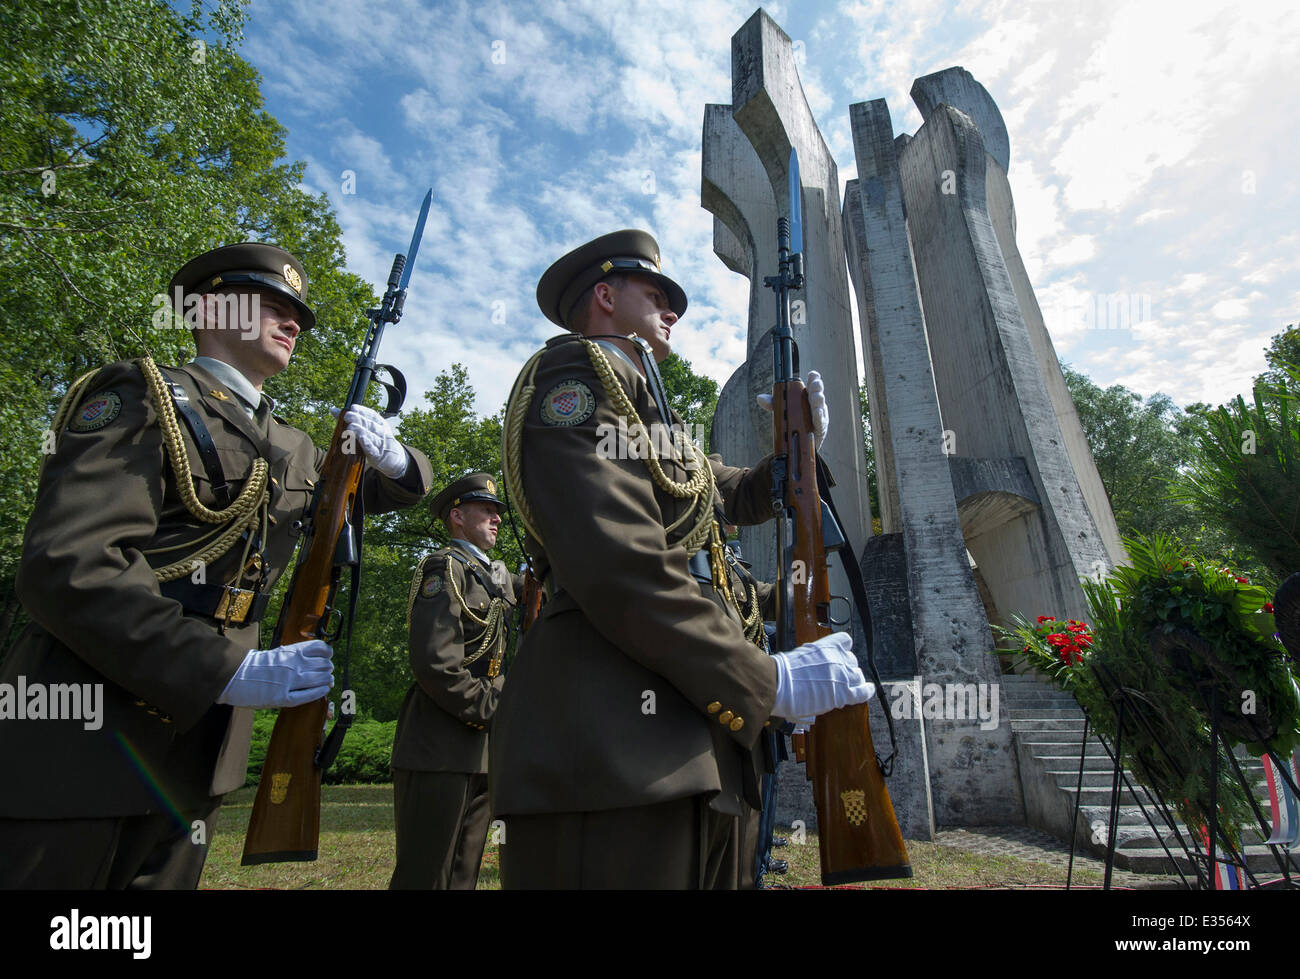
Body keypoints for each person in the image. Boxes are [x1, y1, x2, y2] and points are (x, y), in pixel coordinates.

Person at [0, 243, 432, 889]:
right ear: (208, 308)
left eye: (298, 313)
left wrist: (398, 460)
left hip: (200, 753)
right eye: (273, 304)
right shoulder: (143, 396)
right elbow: (70, 565)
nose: (294, 321)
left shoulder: (293, 446)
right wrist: (229, 669)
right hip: (88, 736)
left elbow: (380, 496)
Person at [491, 229, 874, 889]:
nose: (673, 309)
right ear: (605, 296)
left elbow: (723, 491)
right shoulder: (575, 377)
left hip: (691, 734)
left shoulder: (655, 417)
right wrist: (762, 680)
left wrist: (798, 452)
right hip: (614, 746)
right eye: (656, 294)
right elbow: (616, 557)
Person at [390, 472, 521, 889]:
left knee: (462, 871)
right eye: (487, 511)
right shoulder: (444, 568)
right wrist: (496, 711)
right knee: (427, 874)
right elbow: (435, 664)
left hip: (479, 750)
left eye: (498, 512)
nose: (497, 519)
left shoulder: (491, 576)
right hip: (438, 745)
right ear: (457, 516)